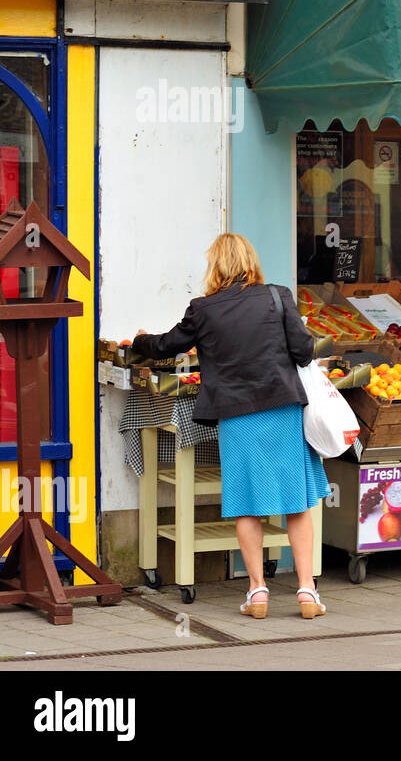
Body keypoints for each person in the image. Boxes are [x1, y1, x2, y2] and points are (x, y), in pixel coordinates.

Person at [134, 233, 331, 618]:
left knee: (247, 506)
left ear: (216, 267)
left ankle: (257, 591)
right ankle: (307, 592)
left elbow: (167, 345)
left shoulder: (203, 309)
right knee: (298, 504)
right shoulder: (277, 296)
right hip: (282, 410)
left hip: (236, 417)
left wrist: (141, 341)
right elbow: (304, 350)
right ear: (250, 262)